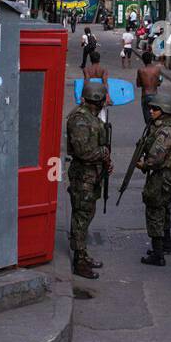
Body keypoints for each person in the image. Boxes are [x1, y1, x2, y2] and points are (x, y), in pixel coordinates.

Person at [65, 81, 111, 280]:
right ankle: (79, 260)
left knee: (87, 214)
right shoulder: (80, 119)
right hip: (83, 175)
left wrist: (105, 160)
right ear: (98, 101)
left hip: (92, 175)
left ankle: (82, 254)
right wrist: (103, 153)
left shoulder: (90, 117)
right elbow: (84, 152)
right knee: (81, 217)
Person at [138, 94, 171, 267]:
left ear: (164, 111)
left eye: (155, 109)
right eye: (151, 108)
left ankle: (158, 254)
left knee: (154, 210)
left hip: (162, 175)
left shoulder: (166, 131)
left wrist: (144, 164)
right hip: (170, 176)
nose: (151, 111)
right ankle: (166, 243)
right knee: (164, 209)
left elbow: (156, 158)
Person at [82, 51, 111, 124]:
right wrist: (107, 96)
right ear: (99, 59)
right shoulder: (103, 69)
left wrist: (82, 96)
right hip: (101, 94)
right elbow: (105, 83)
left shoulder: (86, 69)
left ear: (90, 59)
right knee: (101, 115)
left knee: (89, 113)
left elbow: (86, 82)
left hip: (90, 95)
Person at [135, 50, 163, 125]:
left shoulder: (141, 70)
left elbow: (138, 84)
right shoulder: (157, 69)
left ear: (143, 60)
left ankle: (149, 131)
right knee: (156, 117)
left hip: (145, 96)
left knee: (147, 120)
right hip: (155, 95)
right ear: (151, 59)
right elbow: (159, 82)